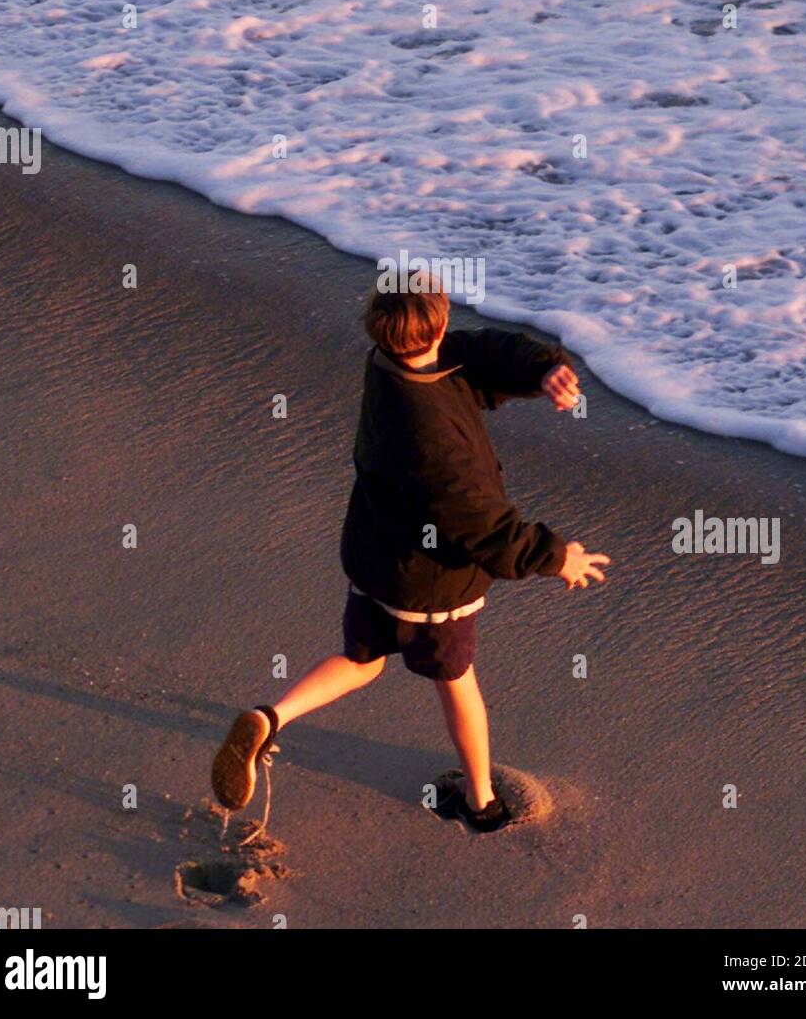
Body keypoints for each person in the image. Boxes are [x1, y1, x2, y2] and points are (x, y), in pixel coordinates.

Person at [213, 274, 609, 833]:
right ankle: (481, 802)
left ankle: (269, 717)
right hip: (429, 584)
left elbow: (476, 352)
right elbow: (484, 528)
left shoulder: (386, 363)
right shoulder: (432, 437)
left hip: (376, 557)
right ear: (439, 322)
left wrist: (541, 369)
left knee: (362, 659)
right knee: (457, 678)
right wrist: (556, 556)